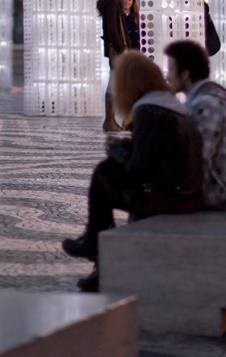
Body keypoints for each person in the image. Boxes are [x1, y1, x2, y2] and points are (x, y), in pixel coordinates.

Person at [61, 51, 204, 291]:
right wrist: (128, 147)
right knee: (107, 171)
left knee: (104, 174)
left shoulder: (148, 110)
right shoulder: (170, 105)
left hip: (169, 198)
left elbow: (139, 170)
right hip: (189, 193)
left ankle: (95, 249)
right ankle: (94, 247)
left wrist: (117, 151)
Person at [164, 40, 226, 211]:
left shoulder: (206, 104)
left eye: (171, 69)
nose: (167, 76)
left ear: (186, 74)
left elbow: (197, 160)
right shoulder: (210, 97)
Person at [97, 0, 128, 132]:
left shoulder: (110, 2)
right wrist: (122, 48)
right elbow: (113, 29)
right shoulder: (113, 3)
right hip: (117, 49)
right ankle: (109, 120)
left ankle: (111, 120)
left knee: (115, 82)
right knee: (114, 83)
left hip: (116, 48)